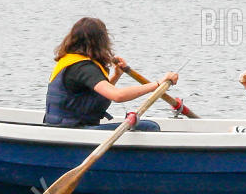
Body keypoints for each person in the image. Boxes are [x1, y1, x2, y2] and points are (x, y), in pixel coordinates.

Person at [43, 17, 176, 129]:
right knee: (149, 127)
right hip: (75, 129)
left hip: (63, 127)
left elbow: (96, 95)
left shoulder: (70, 61)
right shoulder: (83, 68)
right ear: (100, 42)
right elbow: (117, 96)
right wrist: (158, 84)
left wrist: (116, 75)